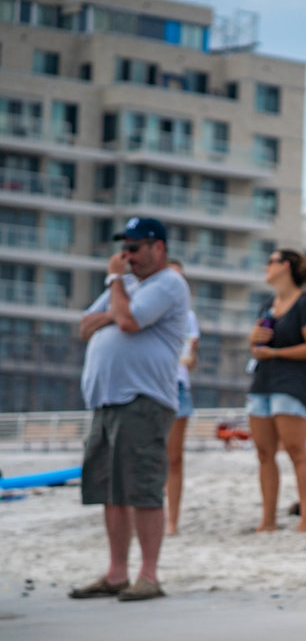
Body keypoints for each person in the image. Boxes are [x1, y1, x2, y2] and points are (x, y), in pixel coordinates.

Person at [68, 216, 190, 603]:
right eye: (125, 248)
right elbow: (85, 326)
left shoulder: (168, 283)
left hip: (143, 399)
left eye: (135, 248)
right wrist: (115, 308)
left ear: (159, 248)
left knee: (142, 488)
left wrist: (114, 286)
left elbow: (128, 321)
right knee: (111, 490)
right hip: (107, 400)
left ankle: (148, 575)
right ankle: (116, 573)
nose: (127, 256)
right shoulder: (127, 286)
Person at [248, 249, 306, 533]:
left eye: (272, 261)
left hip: (292, 384)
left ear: (286, 266)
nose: (266, 267)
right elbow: (257, 349)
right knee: (264, 453)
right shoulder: (267, 305)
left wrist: (277, 353)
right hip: (262, 383)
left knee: (296, 451)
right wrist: (253, 341)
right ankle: (268, 520)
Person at [165, 258, 200, 536]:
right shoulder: (145, 309)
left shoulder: (188, 316)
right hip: (149, 384)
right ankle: (147, 515)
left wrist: (190, 356)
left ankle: (172, 521)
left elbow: (190, 361)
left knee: (174, 457)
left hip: (176, 385)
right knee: (146, 456)